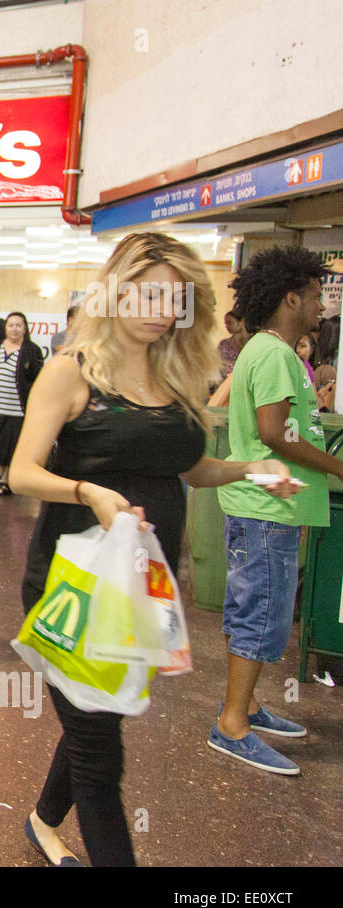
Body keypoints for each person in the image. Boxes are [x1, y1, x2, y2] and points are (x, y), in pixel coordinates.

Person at [8, 231, 297, 866]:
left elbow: (191, 470)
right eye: (150, 293)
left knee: (98, 718)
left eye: (176, 298)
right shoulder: (71, 370)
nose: (163, 309)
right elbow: (22, 471)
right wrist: (90, 492)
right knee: (101, 757)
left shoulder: (176, 376)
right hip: (74, 583)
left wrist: (252, 470)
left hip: (142, 588)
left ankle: (40, 822)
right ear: (116, 288)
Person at [213, 245, 336, 776]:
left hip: (268, 507)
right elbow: (273, 433)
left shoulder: (273, 352)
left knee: (256, 613)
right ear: (290, 296)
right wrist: (335, 468)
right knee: (260, 617)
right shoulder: (275, 354)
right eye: (313, 294)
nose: (321, 304)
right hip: (266, 508)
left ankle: (251, 707)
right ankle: (232, 725)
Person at [0, 311, 43, 496]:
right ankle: (1, 476)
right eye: (11, 325)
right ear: (6, 328)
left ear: (25, 328)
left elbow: (37, 380)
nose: (14, 329)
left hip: (16, 411)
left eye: (18, 325)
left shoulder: (32, 350)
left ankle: (6, 481)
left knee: (9, 447)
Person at [217, 310, 249, 382]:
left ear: (241, 322)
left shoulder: (252, 342)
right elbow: (220, 366)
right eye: (226, 324)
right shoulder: (224, 344)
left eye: (230, 322)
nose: (227, 326)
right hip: (228, 382)